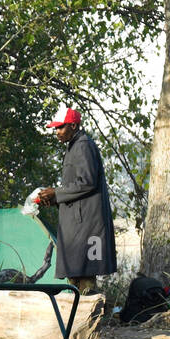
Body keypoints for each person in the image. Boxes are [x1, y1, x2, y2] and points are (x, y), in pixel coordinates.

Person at [37, 107, 117, 293]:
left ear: (73, 125)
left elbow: (87, 182)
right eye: (55, 128)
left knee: (86, 277)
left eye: (60, 127)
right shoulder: (75, 145)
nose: (57, 132)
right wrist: (54, 198)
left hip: (87, 225)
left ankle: (91, 318)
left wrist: (56, 193)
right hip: (79, 223)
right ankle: (77, 318)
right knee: (76, 274)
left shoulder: (83, 145)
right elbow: (77, 186)